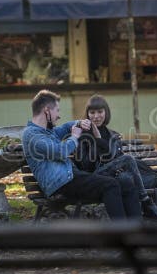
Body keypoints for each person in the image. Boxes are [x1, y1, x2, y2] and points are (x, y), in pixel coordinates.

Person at [22, 89, 142, 221]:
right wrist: (74, 137)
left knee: (125, 183)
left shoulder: (47, 132)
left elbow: (64, 128)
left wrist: (79, 123)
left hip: (72, 178)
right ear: (46, 110)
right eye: (57, 110)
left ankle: (137, 230)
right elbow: (60, 152)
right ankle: (123, 233)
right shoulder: (32, 135)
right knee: (110, 185)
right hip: (61, 185)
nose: (59, 115)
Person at [74, 94, 157, 222]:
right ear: (87, 114)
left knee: (126, 179)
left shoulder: (113, 135)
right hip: (94, 178)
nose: (96, 116)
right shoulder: (83, 135)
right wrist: (97, 140)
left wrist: (117, 168)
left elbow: (116, 160)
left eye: (100, 111)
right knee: (128, 159)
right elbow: (85, 166)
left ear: (106, 112)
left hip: (113, 177)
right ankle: (146, 202)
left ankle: (134, 227)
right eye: (92, 112)